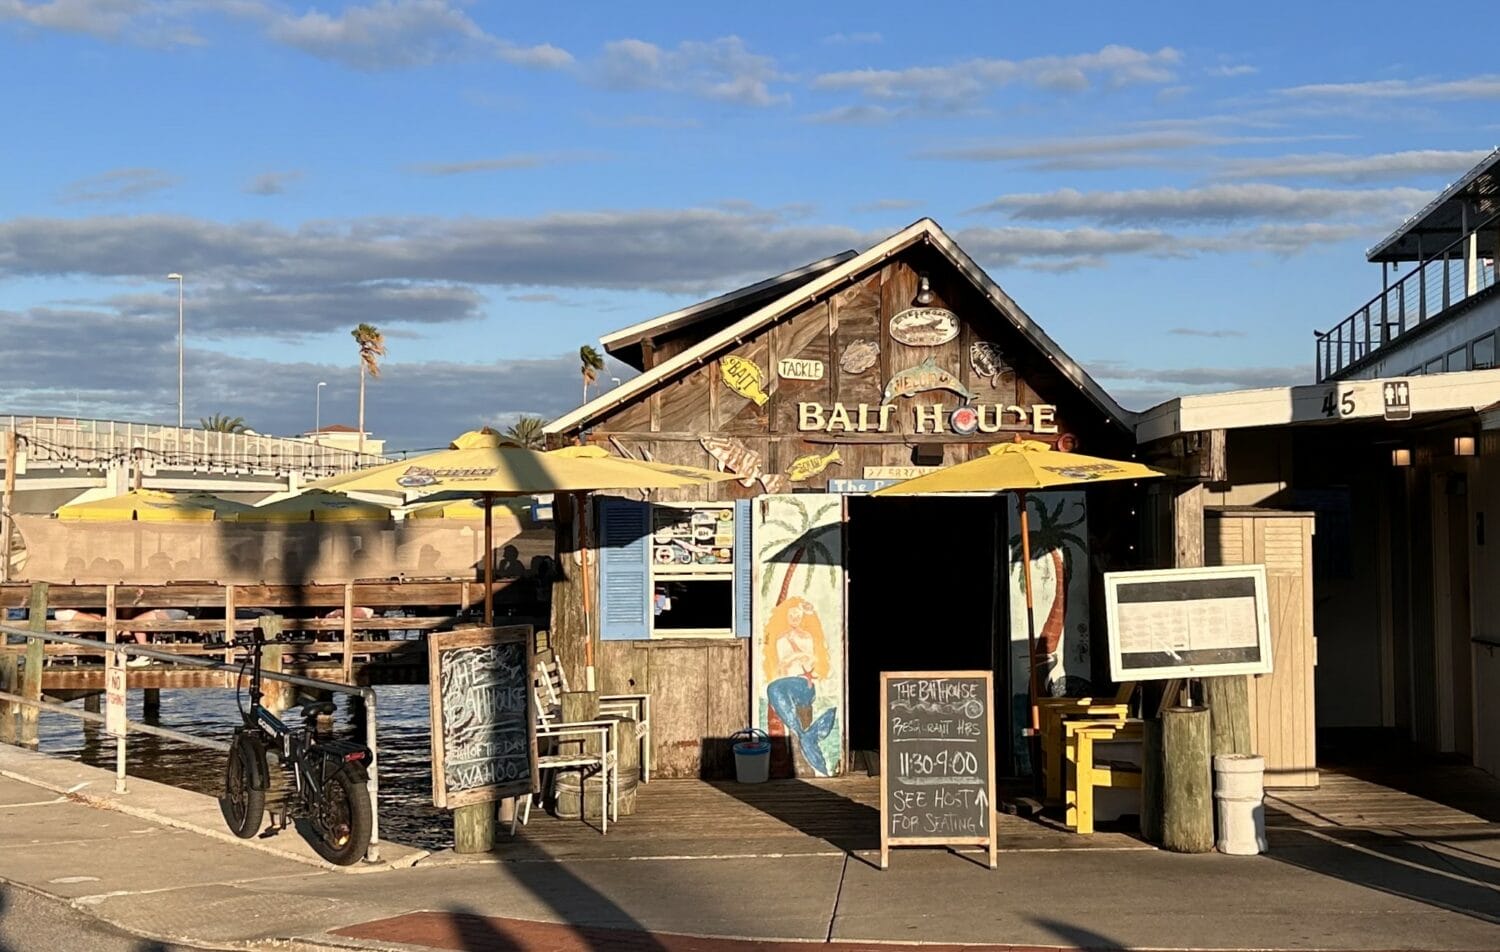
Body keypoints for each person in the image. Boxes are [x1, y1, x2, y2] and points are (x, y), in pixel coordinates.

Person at [761, 597, 837, 776]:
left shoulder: (807, 637)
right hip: (789, 683)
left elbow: (811, 661)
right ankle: (805, 738)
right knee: (775, 689)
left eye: (798, 615)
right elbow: (782, 666)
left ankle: (801, 735)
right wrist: (796, 658)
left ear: (802, 616)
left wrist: (796, 657)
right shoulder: (781, 639)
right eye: (791, 615)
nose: (794, 618)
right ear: (785, 617)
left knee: (773, 689)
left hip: (804, 685)